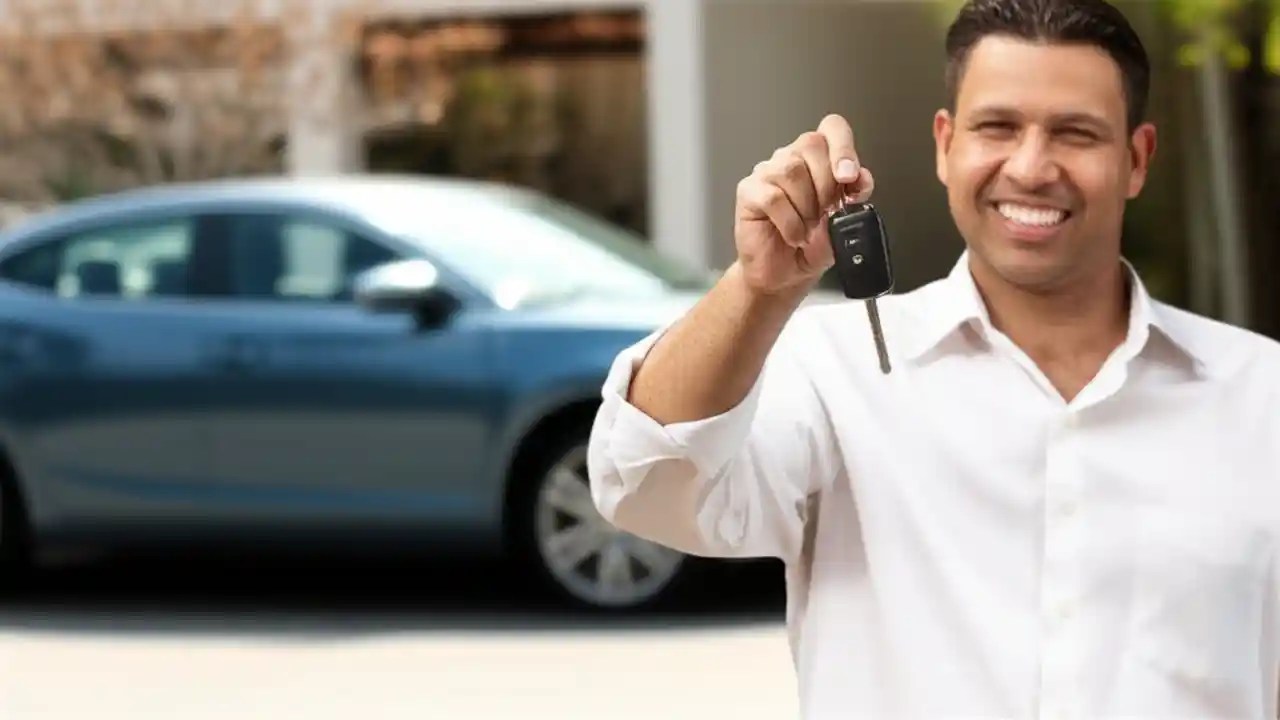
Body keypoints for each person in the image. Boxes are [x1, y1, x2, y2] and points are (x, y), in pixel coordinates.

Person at [586, 0, 1280, 717]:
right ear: (945, 145)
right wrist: (757, 289)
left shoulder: (1264, 397)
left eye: (1075, 133)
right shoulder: (833, 370)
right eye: (998, 127)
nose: (1033, 167)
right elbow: (643, 485)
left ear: (1135, 160)